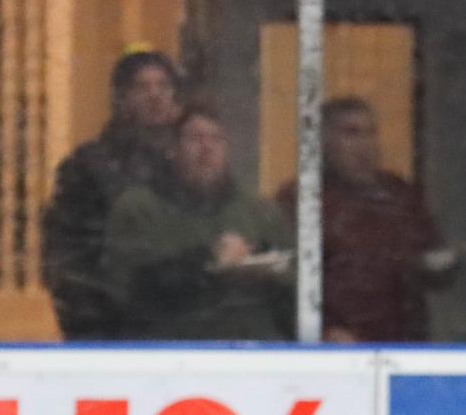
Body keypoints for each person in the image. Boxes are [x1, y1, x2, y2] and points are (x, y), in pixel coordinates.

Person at [101, 106, 294, 340]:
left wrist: (266, 273)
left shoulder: (259, 209)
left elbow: (294, 282)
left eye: (216, 139)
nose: (207, 148)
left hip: (253, 344)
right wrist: (207, 261)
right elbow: (128, 293)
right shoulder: (138, 208)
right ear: (173, 148)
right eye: (195, 138)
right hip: (173, 344)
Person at [274, 97, 455, 342]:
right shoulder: (302, 198)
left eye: (371, 133)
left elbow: (432, 263)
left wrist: (443, 263)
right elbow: (283, 283)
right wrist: (324, 328)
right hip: (339, 345)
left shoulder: (399, 194)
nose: (365, 145)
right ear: (324, 142)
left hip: (402, 341)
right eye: (352, 133)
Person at [41, 47, 182, 340]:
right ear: (121, 97)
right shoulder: (88, 165)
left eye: (163, 86)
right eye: (142, 87)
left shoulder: (186, 164)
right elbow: (66, 254)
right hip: (108, 324)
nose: (155, 95)